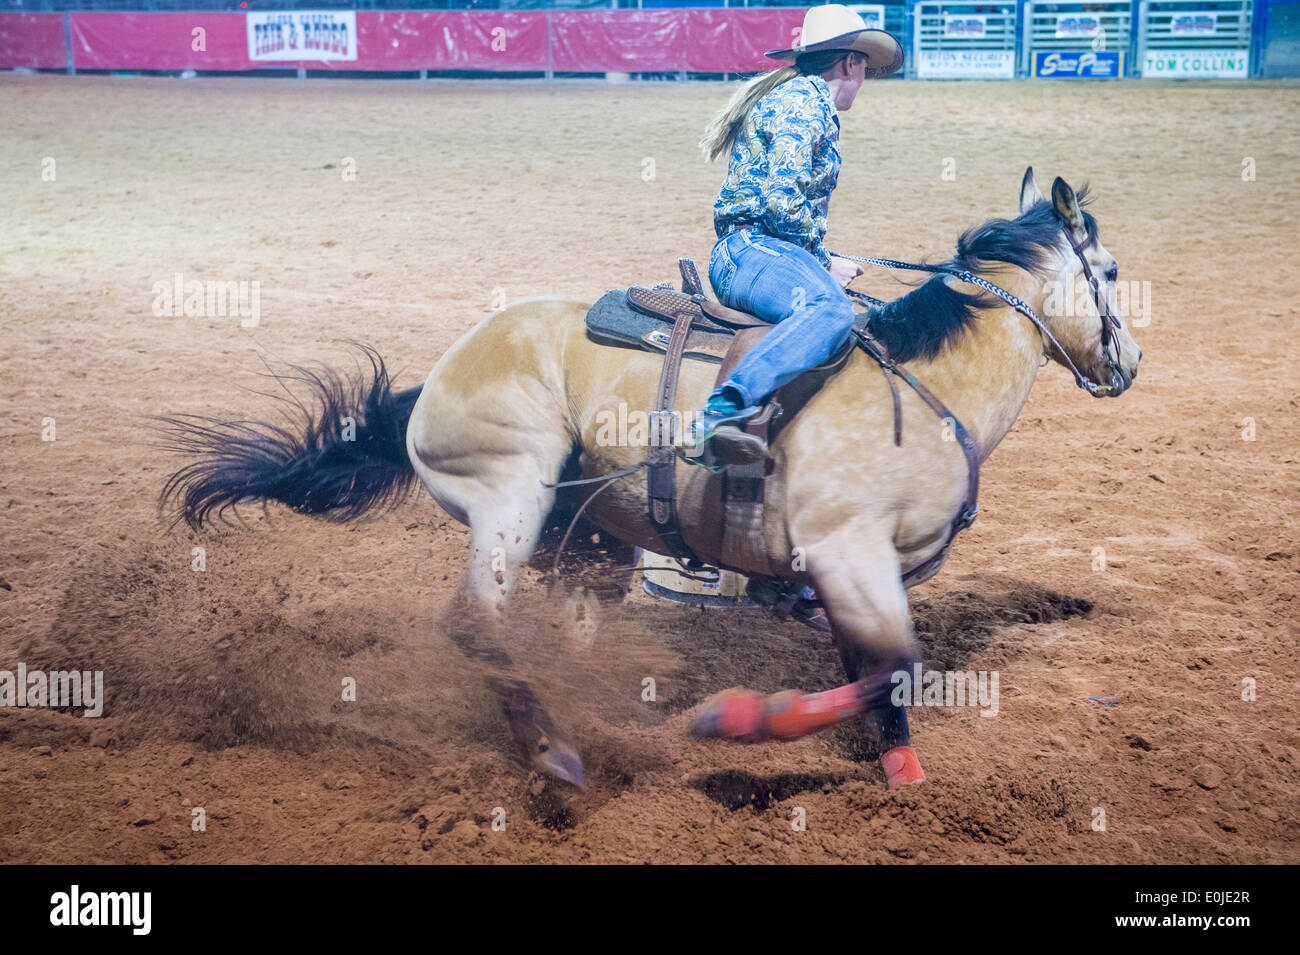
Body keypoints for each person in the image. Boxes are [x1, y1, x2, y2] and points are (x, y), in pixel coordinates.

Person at [683, 5, 903, 468]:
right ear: (850, 63)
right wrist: (822, 262)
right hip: (749, 251)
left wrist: (819, 258)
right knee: (829, 308)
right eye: (865, 66)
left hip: (756, 249)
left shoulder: (800, 99)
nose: (865, 79)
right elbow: (781, 202)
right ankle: (723, 410)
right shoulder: (804, 105)